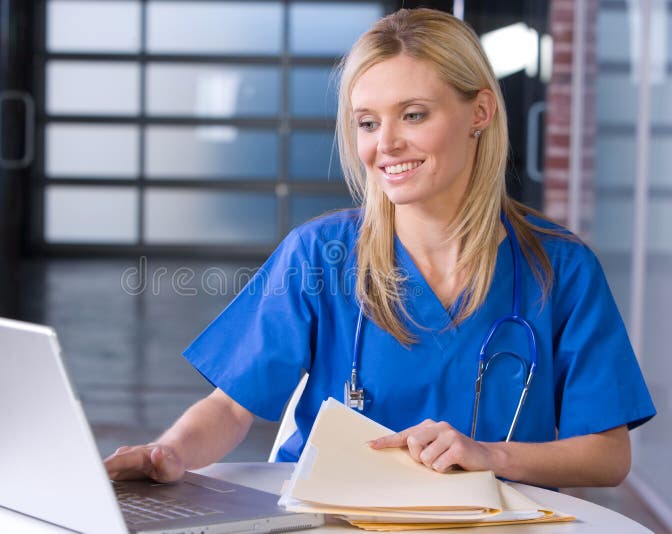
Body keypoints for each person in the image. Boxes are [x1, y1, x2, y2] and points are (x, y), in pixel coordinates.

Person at [105, 8, 655, 488]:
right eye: (368, 122)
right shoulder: (320, 255)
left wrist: (490, 456)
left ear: (480, 113)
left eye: (413, 114)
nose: (385, 144)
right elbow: (230, 407)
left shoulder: (559, 267)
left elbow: (606, 455)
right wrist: (168, 453)